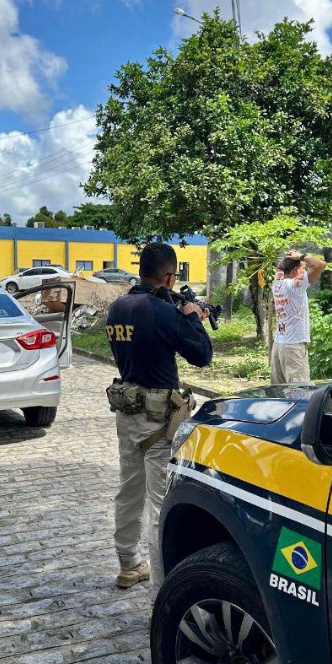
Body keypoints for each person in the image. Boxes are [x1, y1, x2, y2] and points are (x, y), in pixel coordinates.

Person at [105, 242, 213, 592]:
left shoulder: (118, 307)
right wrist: (193, 317)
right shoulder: (162, 312)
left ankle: (128, 564)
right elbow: (202, 355)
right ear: (169, 277)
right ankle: (162, 589)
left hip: (127, 413)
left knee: (129, 492)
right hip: (158, 421)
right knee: (160, 502)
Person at [270, 248, 327, 384]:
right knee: (300, 391)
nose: (305, 271)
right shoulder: (295, 285)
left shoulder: (276, 283)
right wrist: (300, 256)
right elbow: (321, 265)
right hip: (293, 347)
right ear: (295, 270)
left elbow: (280, 267)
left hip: (278, 345)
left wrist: (288, 257)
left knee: (279, 391)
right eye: (303, 268)